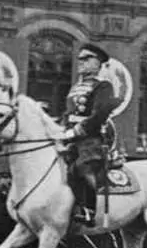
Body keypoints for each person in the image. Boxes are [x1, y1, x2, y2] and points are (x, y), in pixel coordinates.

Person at [51, 43, 119, 226]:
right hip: (72, 138)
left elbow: (100, 114)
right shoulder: (76, 88)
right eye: (80, 58)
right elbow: (68, 113)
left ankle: (89, 210)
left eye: (87, 58)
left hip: (91, 140)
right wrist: (60, 130)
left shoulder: (103, 86)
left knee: (81, 167)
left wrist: (77, 130)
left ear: (98, 63)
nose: (81, 62)